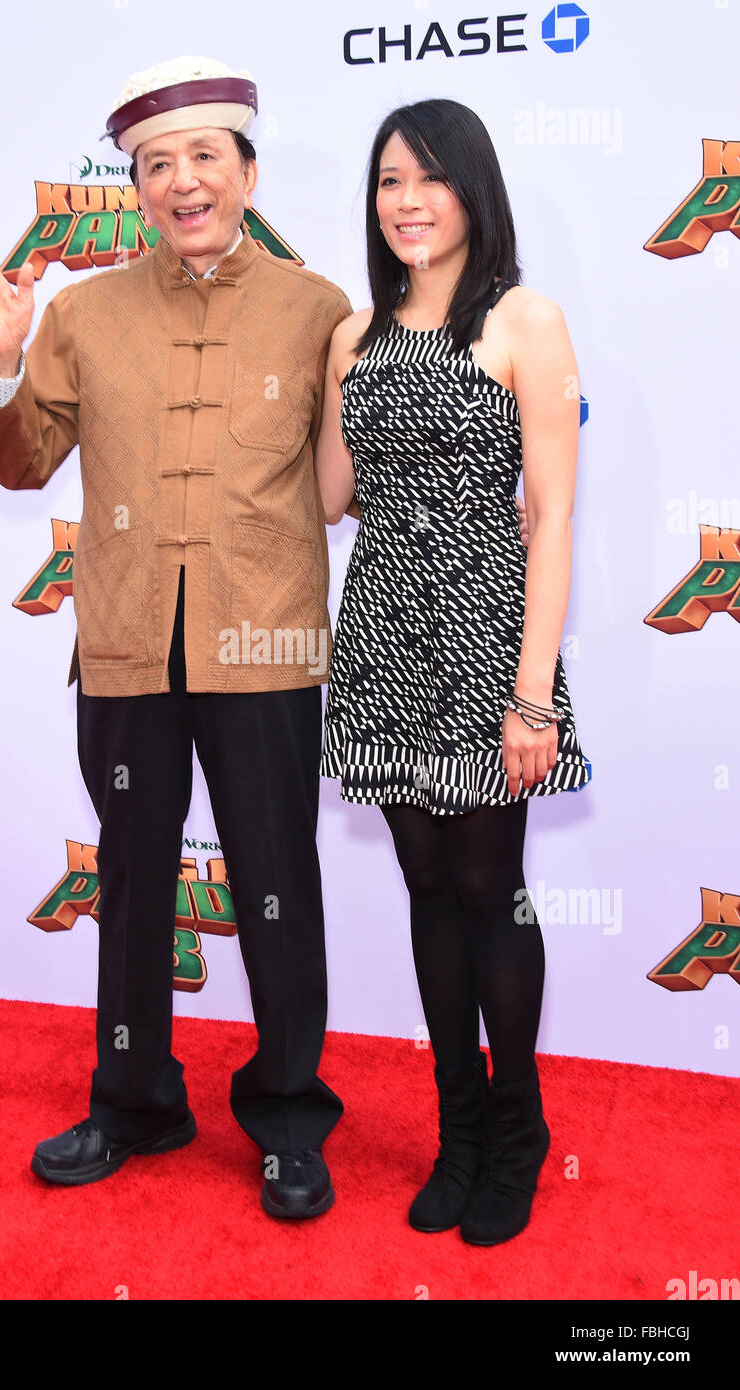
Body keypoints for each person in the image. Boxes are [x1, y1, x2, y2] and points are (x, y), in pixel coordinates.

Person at [0, 56, 353, 1219]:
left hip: (268, 644)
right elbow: (25, 461)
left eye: (203, 159)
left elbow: (349, 479)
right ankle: (135, 1101)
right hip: (128, 644)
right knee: (132, 881)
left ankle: (286, 1114)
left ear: (247, 172)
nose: (182, 182)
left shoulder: (318, 306)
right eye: (155, 165)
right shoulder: (82, 311)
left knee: (275, 883)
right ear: (132, 185)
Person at [315, 98, 592, 1245]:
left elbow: (556, 519)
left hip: (486, 641)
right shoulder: (352, 337)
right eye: (389, 181)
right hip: (381, 635)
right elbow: (329, 500)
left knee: (492, 887)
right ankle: (459, 1127)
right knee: (428, 887)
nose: (408, 200)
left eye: (429, 177)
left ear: (473, 189)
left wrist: (533, 691)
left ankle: (517, 1128)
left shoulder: (525, 319)